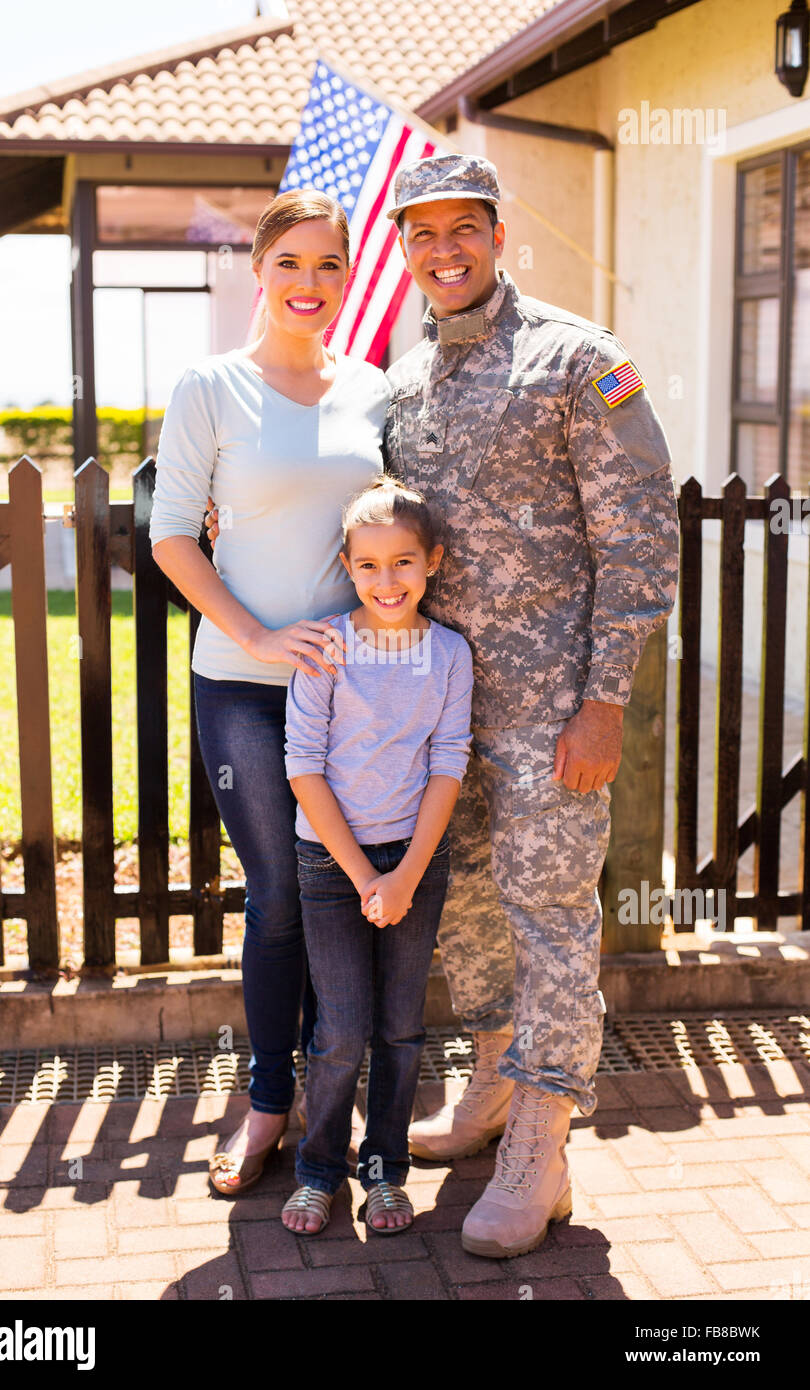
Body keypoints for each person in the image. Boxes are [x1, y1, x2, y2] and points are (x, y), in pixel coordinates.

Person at [379, 152, 681, 1257]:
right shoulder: (405, 376)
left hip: (550, 710)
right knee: (464, 912)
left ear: (499, 235)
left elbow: (640, 537)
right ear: (404, 248)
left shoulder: (577, 359)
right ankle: (494, 1089)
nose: (442, 249)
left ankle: (542, 1144)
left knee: (550, 918)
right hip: (441, 714)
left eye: (463, 227)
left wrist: (602, 700)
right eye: (422, 233)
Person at [149, 189, 389, 1196]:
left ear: (346, 276)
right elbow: (170, 533)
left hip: (351, 698)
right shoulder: (210, 386)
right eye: (289, 263)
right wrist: (253, 632)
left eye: (327, 265)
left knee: (339, 892)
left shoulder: (374, 390)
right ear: (259, 269)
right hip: (243, 688)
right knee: (279, 895)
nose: (308, 283)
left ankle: (336, 1101)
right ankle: (265, 1103)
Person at [279, 476, 473, 1236]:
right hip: (332, 863)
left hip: (416, 860)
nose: (386, 580)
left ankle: (385, 1172)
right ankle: (320, 1170)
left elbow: (449, 762)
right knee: (342, 1030)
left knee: (400, 1027)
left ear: (433, 562)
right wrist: (367, 877)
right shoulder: (326, 646)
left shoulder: (450, 655)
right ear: (347, 565)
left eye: (403, 562)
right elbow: (303, 766)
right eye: (368, 565)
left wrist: (407, 874)